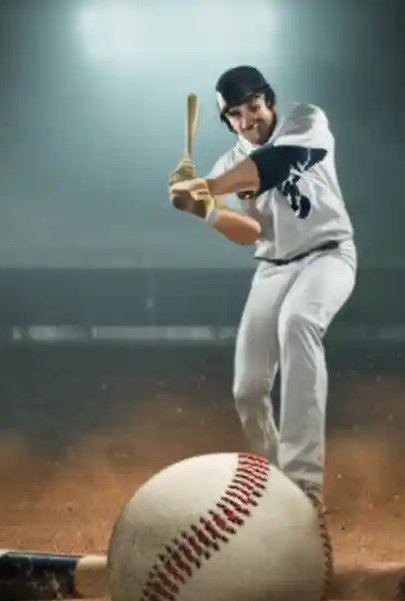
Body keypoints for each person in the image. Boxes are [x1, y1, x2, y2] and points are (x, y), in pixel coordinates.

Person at [169, 65, 357, 501]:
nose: (247, 120)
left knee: (298, 324)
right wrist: (204, 210)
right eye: (235, 114)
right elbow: (250, 233)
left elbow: (274, 165)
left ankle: (305, 487)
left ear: (268, 101)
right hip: (273, 267)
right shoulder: (228, 164)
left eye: (253, 106)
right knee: (248, 388)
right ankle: (278, 492)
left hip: (329, 255)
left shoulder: (306, 121)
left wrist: (206, 186)